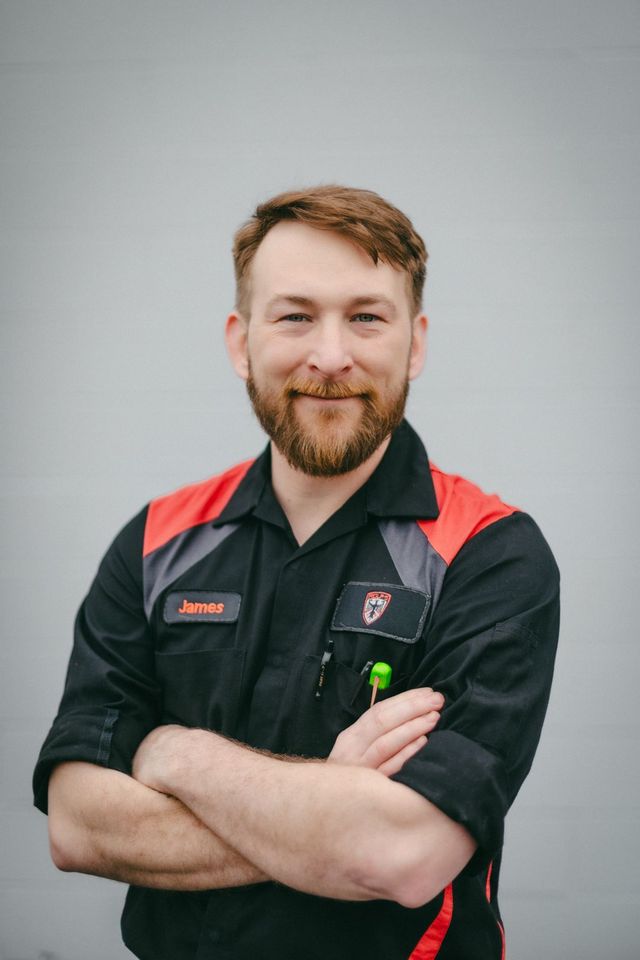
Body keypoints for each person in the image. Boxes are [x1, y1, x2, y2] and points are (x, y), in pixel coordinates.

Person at [33, 185, 560, 960]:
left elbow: (399, 856)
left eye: (367, 317)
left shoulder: (489, 553)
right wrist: (329, 803)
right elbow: (78, 826)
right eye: (295, 316)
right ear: (240, 341)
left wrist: (176, 754)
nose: (331, 356)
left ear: (415, 344)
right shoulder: (154, 543)